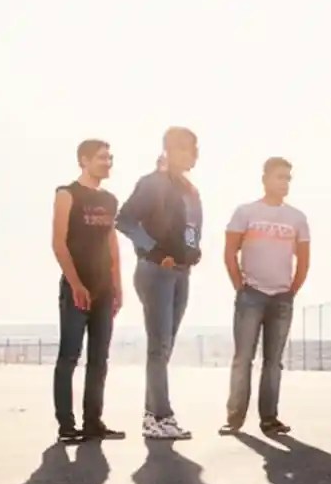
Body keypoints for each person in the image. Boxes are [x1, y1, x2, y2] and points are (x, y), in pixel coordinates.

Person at [115, 127, 203, 440]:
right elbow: (124, 220)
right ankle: (161, 416)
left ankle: (152, 416)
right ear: (169, 150)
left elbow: (190, 227)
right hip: (156, 272)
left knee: (166, 347)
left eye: (193, 148)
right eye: (184, 148)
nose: (190, 154)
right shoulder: (152, 183)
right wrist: (154, 251)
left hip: (181, 273)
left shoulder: (190, 191)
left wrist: (193, 250)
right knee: (159, 346)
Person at [220, 157, 310, 436]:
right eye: (279, 177)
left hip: (281, 297)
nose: (284, 183)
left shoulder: (297, 218)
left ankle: (269, 418)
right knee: (243, 358)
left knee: (273, 362)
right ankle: (234, 418)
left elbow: (304, 259)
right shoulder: (245, 212)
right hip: (251, 296)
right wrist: (240, 286)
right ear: (265, 179)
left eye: (288, 178)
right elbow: (229, 252)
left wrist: (291, 291)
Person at [51, 139, 124, 441]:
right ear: (84, 160)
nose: (107, 163)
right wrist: (76, 284)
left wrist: (117, 285)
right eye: (102, 158)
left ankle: (93, 422)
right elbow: (58, 243)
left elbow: (111, 242)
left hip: (104, 288)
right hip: (76, 288)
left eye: (109, 158)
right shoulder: (67, 194)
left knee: (99, 359)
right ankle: (66, 426)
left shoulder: (110, 200)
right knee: (69, 356)